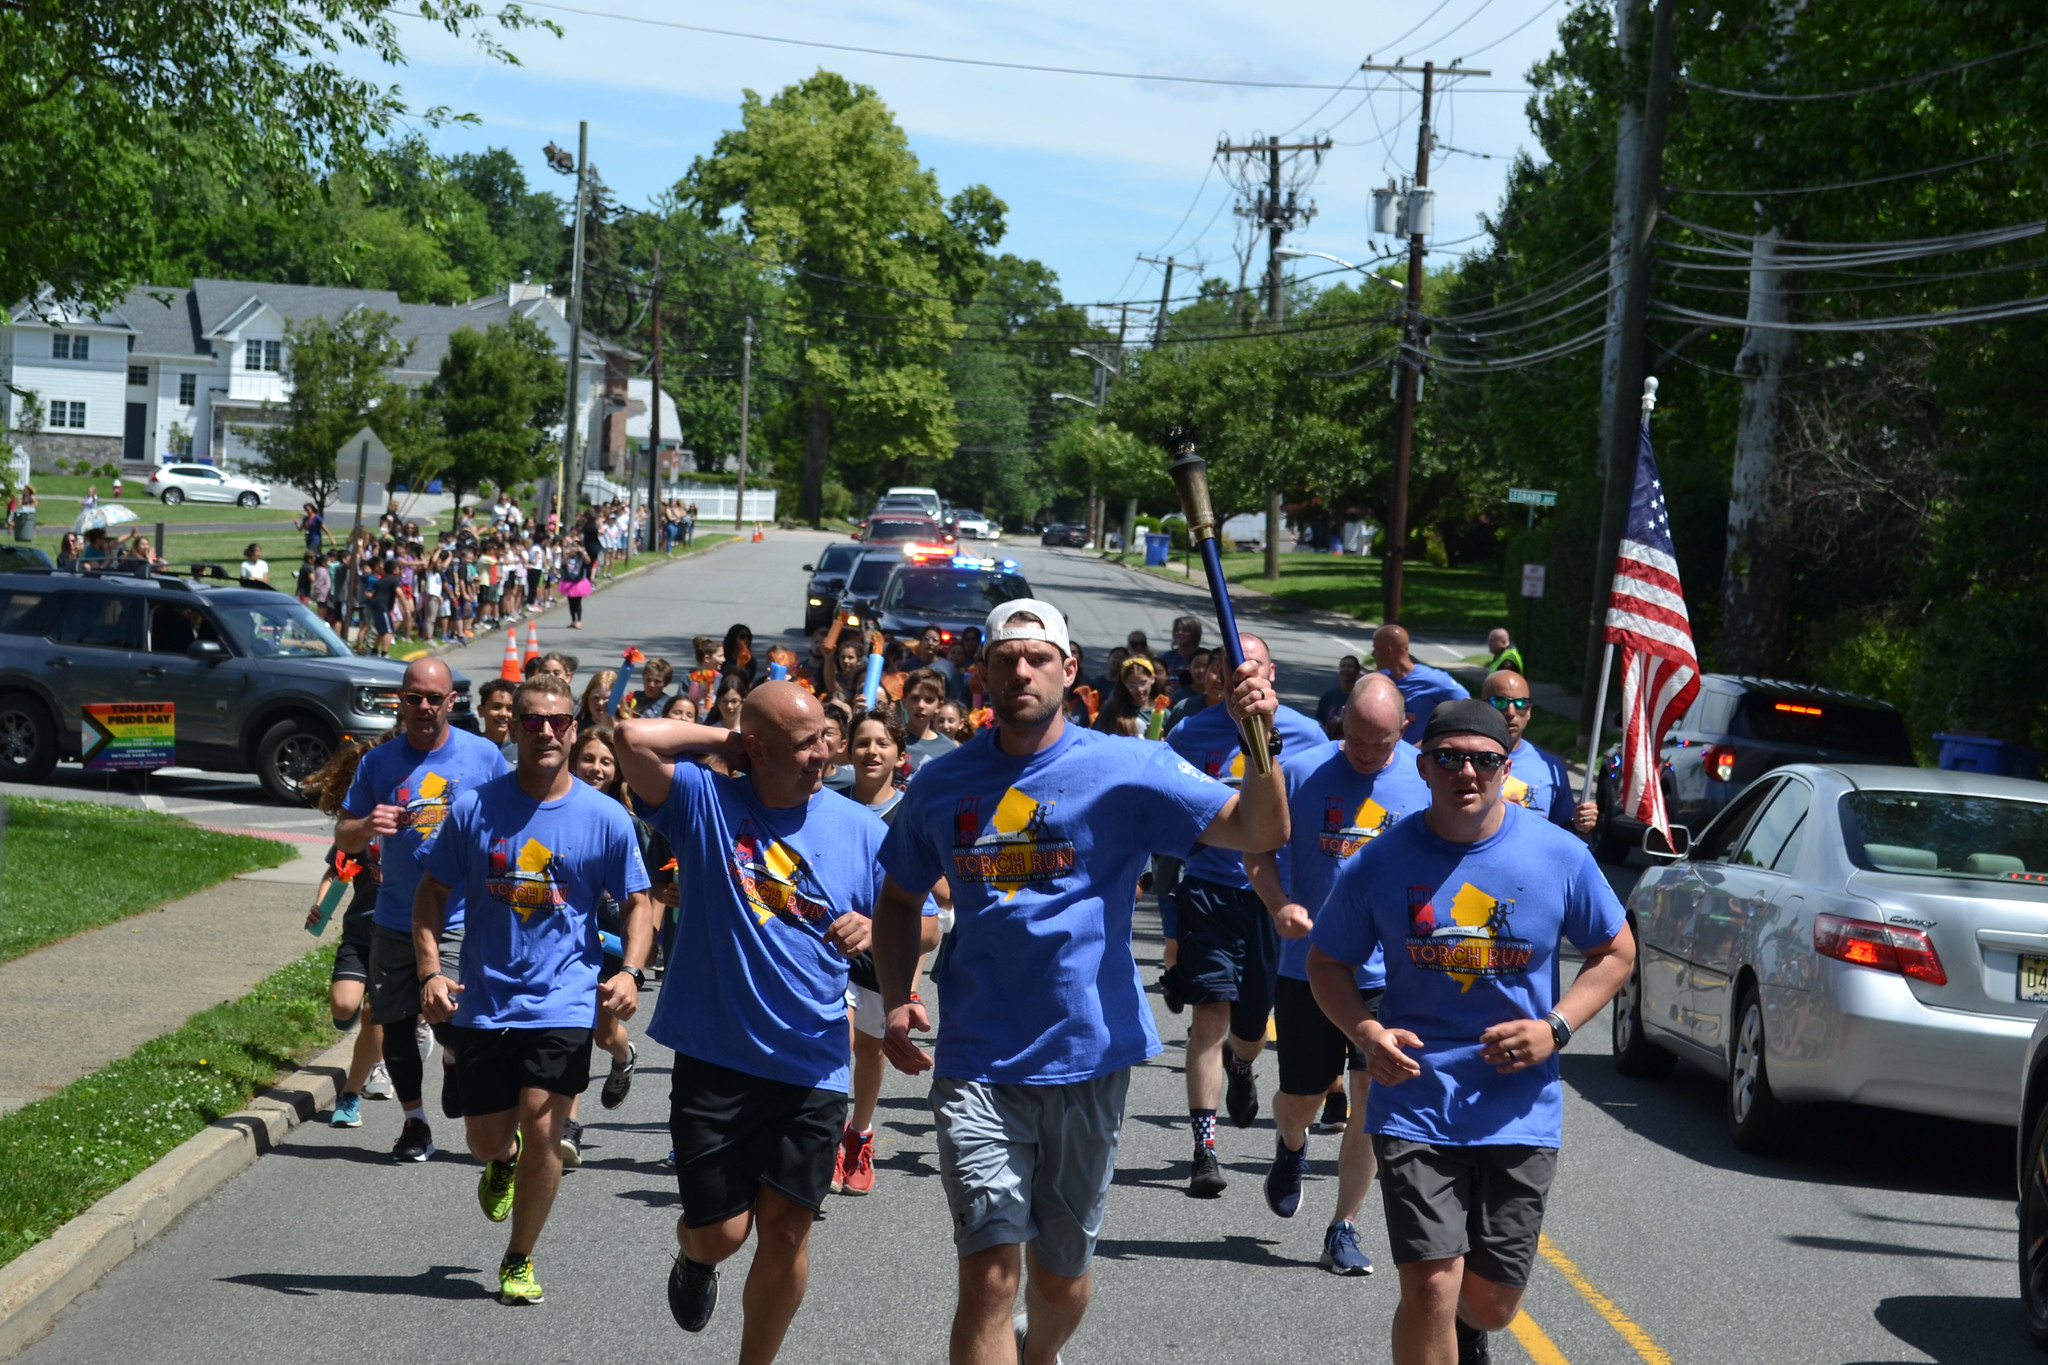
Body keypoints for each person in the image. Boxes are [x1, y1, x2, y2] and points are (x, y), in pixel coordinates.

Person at [870, 598, 1287, 1365]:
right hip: (978, 1061)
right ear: (984, 673)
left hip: (1087, 1058)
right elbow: (897, 897)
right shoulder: (941, 784)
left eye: (1037, 658)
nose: (1020, 670)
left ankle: (1040, 1352)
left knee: (1060, 1284)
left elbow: (1260, 831)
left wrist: (1262, 740)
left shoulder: (1130, 768)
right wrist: (898, 994)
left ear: (1069, 671)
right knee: (991, 1279)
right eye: (1005, 659)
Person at [1307, 698, 1635, 1365]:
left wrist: (1557, 1027)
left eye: (1484, 760)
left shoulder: (1559, 856)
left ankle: (1467, 1330)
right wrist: (1368, 1031)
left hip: (1519, 1105)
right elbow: (1326, 962)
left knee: (1488, 1303)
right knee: (1430, 1283)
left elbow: (1617, 952)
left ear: (1505, 768)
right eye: (1449, 757)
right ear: (1422, 765)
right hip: (1416, 1096)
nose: (1467, 771)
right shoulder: (1381, 861)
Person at [613, 682, 930, 1359]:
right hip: (715, 1057)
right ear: (757, 748)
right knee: (722, 1233)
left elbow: (925, 916)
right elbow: (632, 740)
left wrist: (878, 927)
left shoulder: (861, 828)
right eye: (805, 742)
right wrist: (730, 742)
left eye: (826, 737)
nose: (825, 753)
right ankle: (694, 1256)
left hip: (813, 1061)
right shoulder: (706, 802)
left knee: (787, 1231)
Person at [416, 676, 653, 1305]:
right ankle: (500, 1159)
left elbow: (638, 902)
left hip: (564, 999)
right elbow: (432, 895)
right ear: (513, 728)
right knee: (485, 1140)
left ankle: (519, 1258)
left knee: (547, 1131)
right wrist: (431, 972)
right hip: (486, 999)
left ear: (573, 727)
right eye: (531, 721)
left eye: (556, 720)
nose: (544, 731)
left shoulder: (605, 818)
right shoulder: (474, 807)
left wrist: (628, 970)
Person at [1243, 674, 1429, 1274]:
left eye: (1380, 744)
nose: (1367, 754)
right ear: (1340, 721)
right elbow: (1256, 851)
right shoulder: (1298, 772)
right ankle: (1291, 1145)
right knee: (1300, 1099)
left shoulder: (1426, 781)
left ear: (1406, 730)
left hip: (1390, 973)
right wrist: (1279, 905)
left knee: (1371, 1101)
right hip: (1310, 968)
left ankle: (1342, 1228)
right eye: (1356, 738)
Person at [1162, 637, 1328, 1197]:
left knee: (1251, 1027)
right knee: (1209, 1016)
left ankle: (1241, 1062)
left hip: (1271, 899)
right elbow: (1163, 819)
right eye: (1230, 672)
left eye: (1251, 669)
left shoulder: (1308, 737)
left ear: (1271, 674)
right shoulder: (1189, 735)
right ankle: (1203, 1150)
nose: (1239, 680)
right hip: (1207, 890)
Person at [333, 658, 509, 1162]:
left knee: (452, 1017)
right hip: (393, 917)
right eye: (415, 698)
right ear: (402, 701)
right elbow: (343, 833)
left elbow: (513, 817)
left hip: (460, 918)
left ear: (453, 701)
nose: (425, 707)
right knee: (396, 1022)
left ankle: (453, 1055)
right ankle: (415, 1123)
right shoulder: (379, 763)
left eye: (435, 698)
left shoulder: (484, 756)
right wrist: (367, 825)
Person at [301, 737, 395, 1128]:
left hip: (396, 938)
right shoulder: (361, 827)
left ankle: (350, 1096)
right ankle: (374, 1048)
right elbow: (337, 870)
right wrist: (322, 905)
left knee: (376, 1015)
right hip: (360, 933)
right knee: (344, 1009)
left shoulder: (420, 821)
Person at [1481, 670, 1597, 834]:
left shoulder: (1550, 767)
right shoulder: (1462, 761)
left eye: (1520, 703)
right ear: (1483, 706)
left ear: (1529, 711)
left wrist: (1580, 822)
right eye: (1500, 702)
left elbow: (1562, 833)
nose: (1511, 712)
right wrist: (1496, 810)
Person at [1373, 624, 1469, 745]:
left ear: (1389, 651)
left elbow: (1468, 709)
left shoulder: (1435, 680)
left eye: (1375, 649)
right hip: (1386, 756)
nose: (1373, 654)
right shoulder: (1380, 680)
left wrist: (1429, 742)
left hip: (1420, 758)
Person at [901, 668, 959, 770]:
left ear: (939, 706)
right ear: (904, 701)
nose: (920, 706)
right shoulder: (890, 740)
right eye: (915, 698)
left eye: (929, 700)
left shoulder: (949, 750)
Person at [1093, 654, 1163, 737]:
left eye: (1143, 683)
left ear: (1152, 679)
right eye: (1132, 685)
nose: (1139, 689)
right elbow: (1095, 736)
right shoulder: (1113, 709)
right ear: (1124, 684)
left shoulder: (1161, 712)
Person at [1316, 655, 1364, 738]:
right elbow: (1320, 722)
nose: (1346, 669)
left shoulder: (1362, 697)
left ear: (1357, 671)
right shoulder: (1329, 696)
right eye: (1343, 666)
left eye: (1350, 666)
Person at [477, 677, 519, 764]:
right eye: (497, 707)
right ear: (481, 710)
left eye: (509, 709)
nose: (503, 714)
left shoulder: (523, 750)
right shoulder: (471, 747)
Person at [560, 538, 593, 628]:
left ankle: (579, 620)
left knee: (577, 602)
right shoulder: (568, 557)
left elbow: (588, 561)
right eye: (572, 546)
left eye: (575, 546)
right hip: (568, 581)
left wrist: (582, 552)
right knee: (570, 602)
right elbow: (562, 563)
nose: (574, 549)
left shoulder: (581, 557)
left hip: (578, 582)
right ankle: (573, 620)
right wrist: (567, 554)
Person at [1159, 615, 1202, 680]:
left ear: (1195, 633)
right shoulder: (1167, 657)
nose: (1180, 632)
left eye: (1185, 630)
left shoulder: (1203, 658)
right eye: (1177, 630)